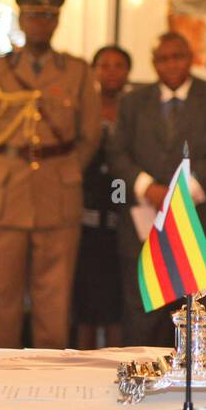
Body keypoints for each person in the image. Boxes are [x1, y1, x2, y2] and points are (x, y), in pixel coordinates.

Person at [0, 0, 101, 349]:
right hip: (3, 194)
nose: (41, 24)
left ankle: (49, 383)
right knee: (0, 298)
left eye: (49, 17)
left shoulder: (77, 71)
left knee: (54, 301)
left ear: (57, 22)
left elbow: (89, 135)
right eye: (33, 16)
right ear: (21, 19)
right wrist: (4, 168)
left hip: (58, 194)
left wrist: (65, 170)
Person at [108, 32, 206, 346]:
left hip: (203, 224)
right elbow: (117, 153)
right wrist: (146, 187)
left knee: (203, 316)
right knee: (142, 317)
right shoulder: (132, 102)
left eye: (178, 57)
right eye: (163, 58)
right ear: (153, 63)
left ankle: (205, 389)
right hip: (146, 224)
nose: (171, 64)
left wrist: (184, 192)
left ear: (191, 58)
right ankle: (140, 383)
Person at [72, 45, 132, 350]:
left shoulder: (136, 108)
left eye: (119, 65)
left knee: (117, 296)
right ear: (94, 71)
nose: (111, 71)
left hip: (126, 217)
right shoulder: (82, 107)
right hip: (85, 214)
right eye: (104, 65)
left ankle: (116, 359)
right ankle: (82, 361)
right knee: (84, 294)